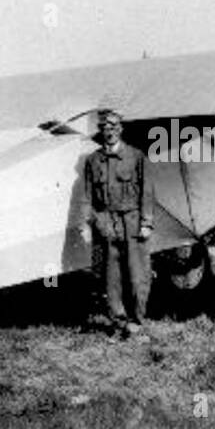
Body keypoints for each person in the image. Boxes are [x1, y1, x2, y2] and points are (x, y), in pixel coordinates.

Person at [80, 109, 155, 338]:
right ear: (100, 131)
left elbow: (147, 192)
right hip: (106, 223)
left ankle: (136, 321)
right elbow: (87, 196)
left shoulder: (136, 156)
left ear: (121, 129)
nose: (109, 132)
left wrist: (146, 222)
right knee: (111, 278)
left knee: (138, 274)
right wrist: (85, 224)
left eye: (113, 127)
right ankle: (118, 321)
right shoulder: (93, 160)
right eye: (104, 128)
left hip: (132, 221)